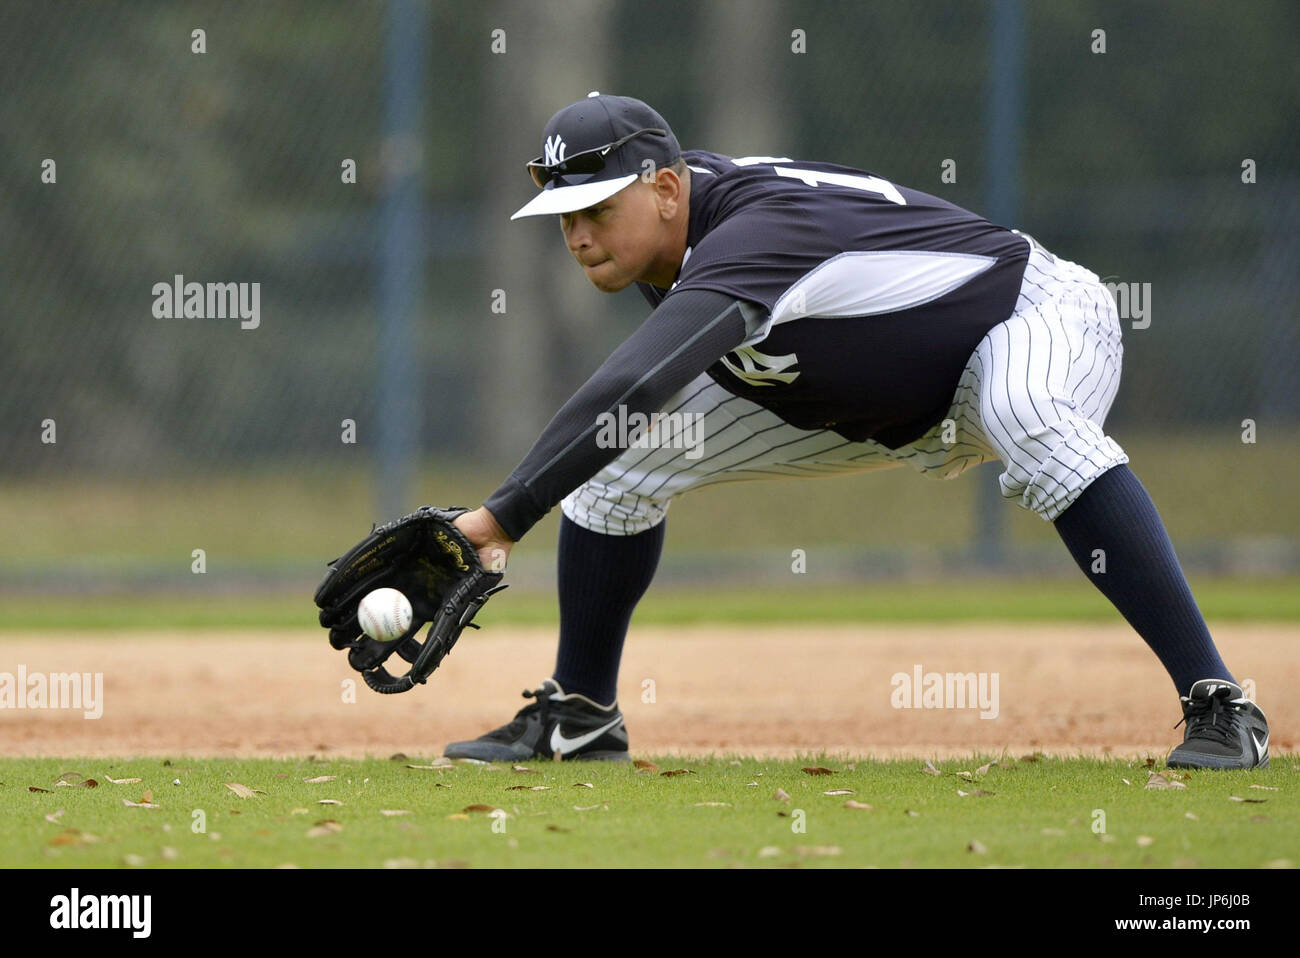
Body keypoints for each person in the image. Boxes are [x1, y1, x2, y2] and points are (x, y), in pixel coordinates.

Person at [446, 93, 1268, 770]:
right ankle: (581, 716)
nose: (578, 233)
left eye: (595, 205)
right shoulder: (676, 234)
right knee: (616, 464)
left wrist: (498, 517)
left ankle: (1222, 704)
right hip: (874, 399)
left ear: (666, 189)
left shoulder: (755, 233)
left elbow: (632, 377)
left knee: (1034, 421)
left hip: (1027, 319)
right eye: (563, 215)